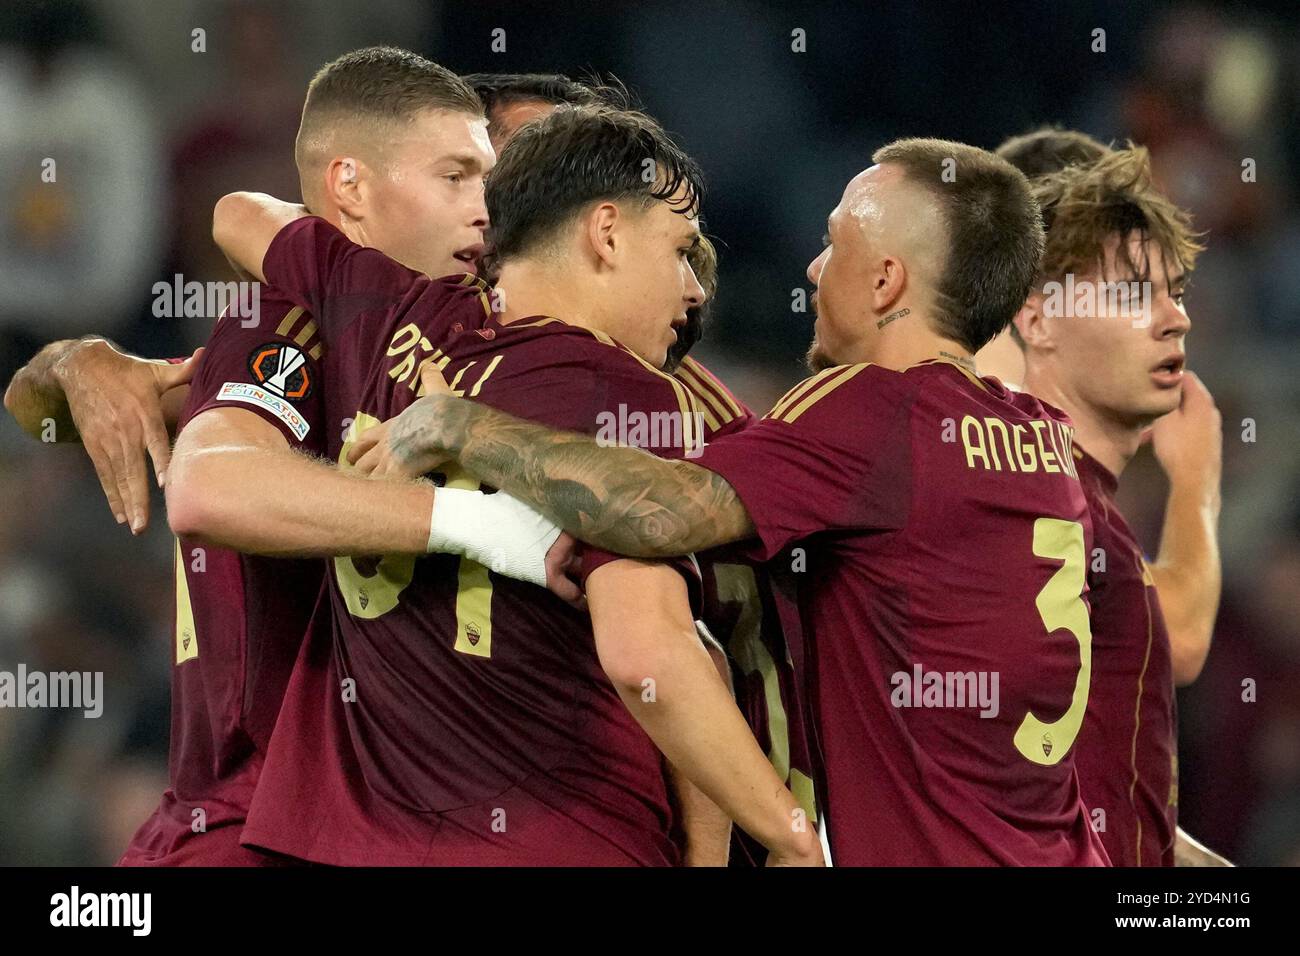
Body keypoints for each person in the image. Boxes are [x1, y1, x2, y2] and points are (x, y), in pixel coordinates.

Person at [357, 137, 1111, 865]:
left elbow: (660, 515)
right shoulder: (1040, 436)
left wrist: (463, 426)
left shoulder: (873, 408)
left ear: (885, 283)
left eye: (833, 242)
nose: (814, 269)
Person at [210, 103, 822, 866]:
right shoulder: (619, 390)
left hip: (369, 841)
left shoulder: (388, 307)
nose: (695, 291)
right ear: (606, 232)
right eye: (680, 251)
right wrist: (790, 840)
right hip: (567, 836)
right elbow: (650, 653)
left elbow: (239, 216)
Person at [1001, 142, 1227, 866]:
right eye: (1134, 295)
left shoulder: (1083, 502)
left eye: (1178, 291)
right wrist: (1198, 483)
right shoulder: (1025, 499)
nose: (1175, 321)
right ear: (1036, 320)